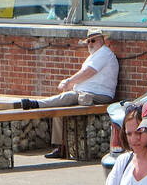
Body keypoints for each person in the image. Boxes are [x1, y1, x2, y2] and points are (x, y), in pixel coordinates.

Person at [15, 28, 118, 160]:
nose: (90, 44)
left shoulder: (104, 53)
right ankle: (60, 147)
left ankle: (36, 104)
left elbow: (88, 72)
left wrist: (68, 82)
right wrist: (70, 84)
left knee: (69, 96)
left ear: (101, 41)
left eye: (93, 40)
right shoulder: (94, 55)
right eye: (88, 41)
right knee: (59, 108)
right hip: (85, 93)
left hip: (99, 95)